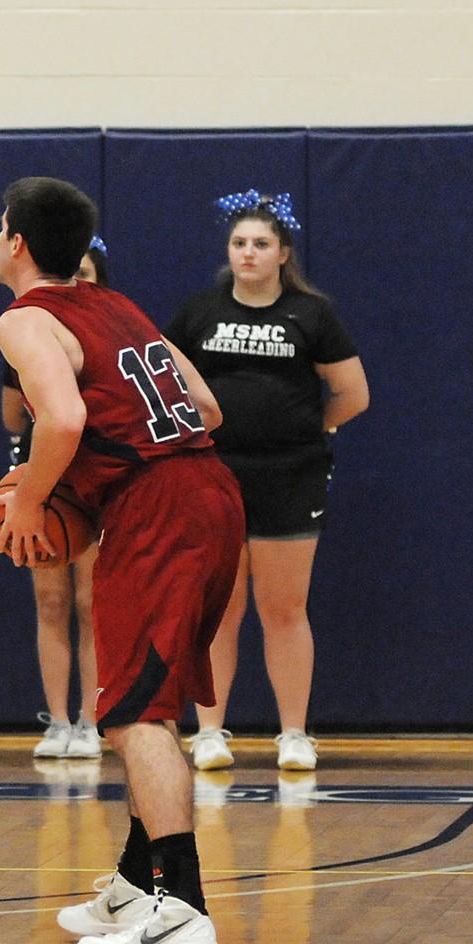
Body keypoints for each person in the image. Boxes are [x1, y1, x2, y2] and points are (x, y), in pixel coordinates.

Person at [0, 177, 243, 944]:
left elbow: (62, 419)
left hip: (159, 510)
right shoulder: (121, 307)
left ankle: (183, 905)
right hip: (210, 492)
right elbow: (205, 408)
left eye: (1, 228)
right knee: (141, 700)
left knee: (136, 712)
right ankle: (138, 881)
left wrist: (34, 502)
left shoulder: (25, 319)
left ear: (17, 243)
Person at [164, 192, 369, 772]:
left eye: (260, 244)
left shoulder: (312, 315)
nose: (248, 253)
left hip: (291, 476)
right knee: (218, 608)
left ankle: (295, 734)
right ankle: (208, 731)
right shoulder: (199, 313)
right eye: (239, 244)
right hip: (213, 476)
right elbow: (163, 380)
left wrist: (306, 425)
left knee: (283, 607)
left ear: (283, 253)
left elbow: (354, 395)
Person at [2, 236, 109, 761]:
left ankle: (92, 718)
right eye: (74, 272)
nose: (78, 281)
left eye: (87, 273)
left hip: (90, 471)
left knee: (92, 602)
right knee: (49, 600)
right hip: (44, 470)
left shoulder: (102, 335)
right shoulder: (28, 330)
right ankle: (58, 719)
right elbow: (13, 413)